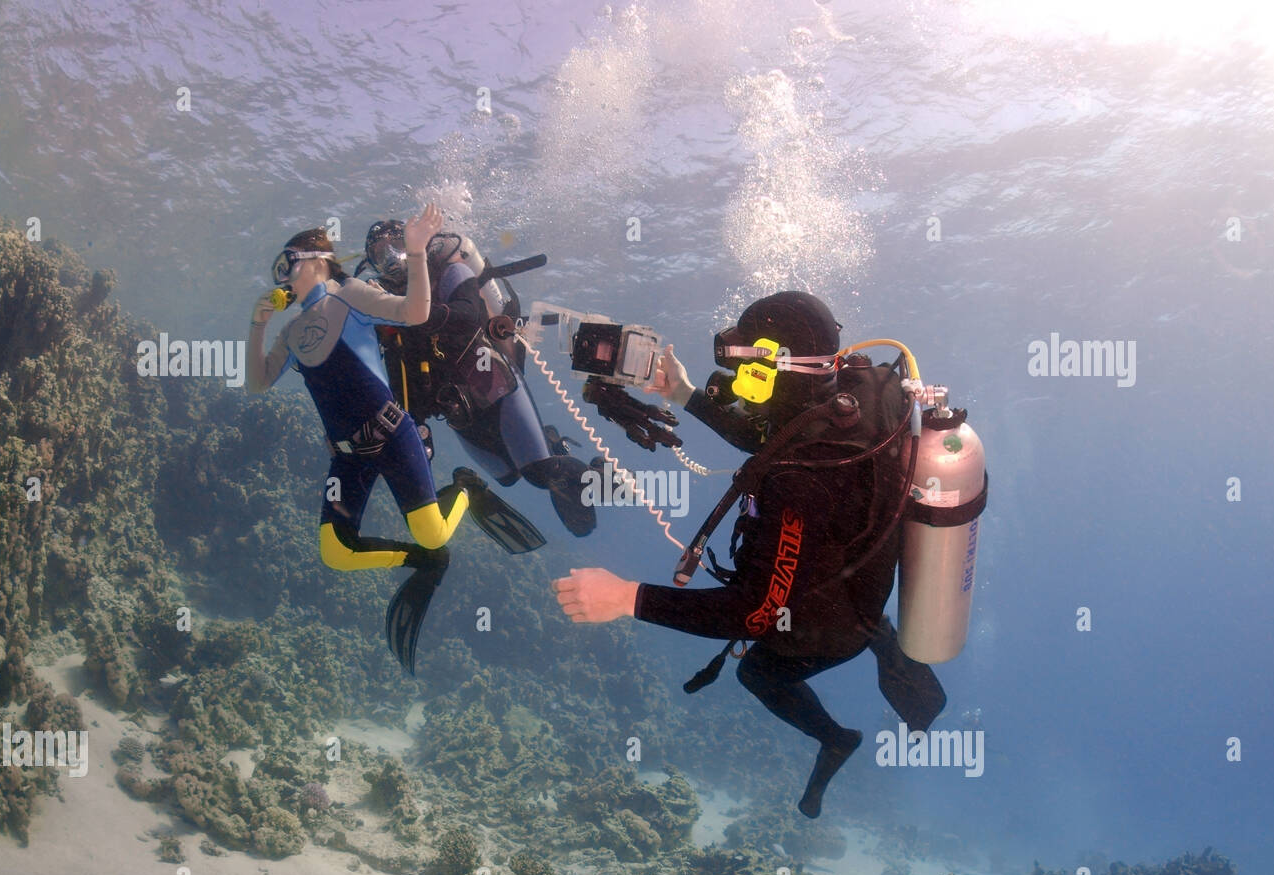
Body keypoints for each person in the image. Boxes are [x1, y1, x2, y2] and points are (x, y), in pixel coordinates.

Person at [552, 292, 945, 819]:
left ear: (784, 371)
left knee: (757, 672)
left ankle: (837, 736)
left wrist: (627, 597)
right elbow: (775, 436)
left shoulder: (800, 482)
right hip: (854, 565)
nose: (741, 393)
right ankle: (877, 635)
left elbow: (754, 612)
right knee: (817, 577)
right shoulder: (853, 390)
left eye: (753, 379)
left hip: (836, 618)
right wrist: (688, 393)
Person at [246, 206, 472, 670]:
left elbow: (415, 311)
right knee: (337, 552)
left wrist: (414, 251)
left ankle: (467, 488)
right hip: (348, 455)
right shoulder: (290, 333)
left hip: (392, 433)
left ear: (317, 261)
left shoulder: (350, 294)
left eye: (287, 264)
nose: (283, 277)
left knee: (431, 532)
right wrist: (258, 325)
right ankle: (425, 563)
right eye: (279, 271)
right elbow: (257, 383)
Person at [359, 219, 599, 540]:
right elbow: (403, 382)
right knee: (508, 478)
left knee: (548, 487)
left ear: (415, 243)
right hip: (461, 414)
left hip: (497, 388)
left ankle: (600, 474)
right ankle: (545, 446)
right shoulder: (390, 312)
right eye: (380, 255)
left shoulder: (450, 272)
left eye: (397, 246)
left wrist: (413, 314)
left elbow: (468, 316)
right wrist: (413, 426)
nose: (391, 258)